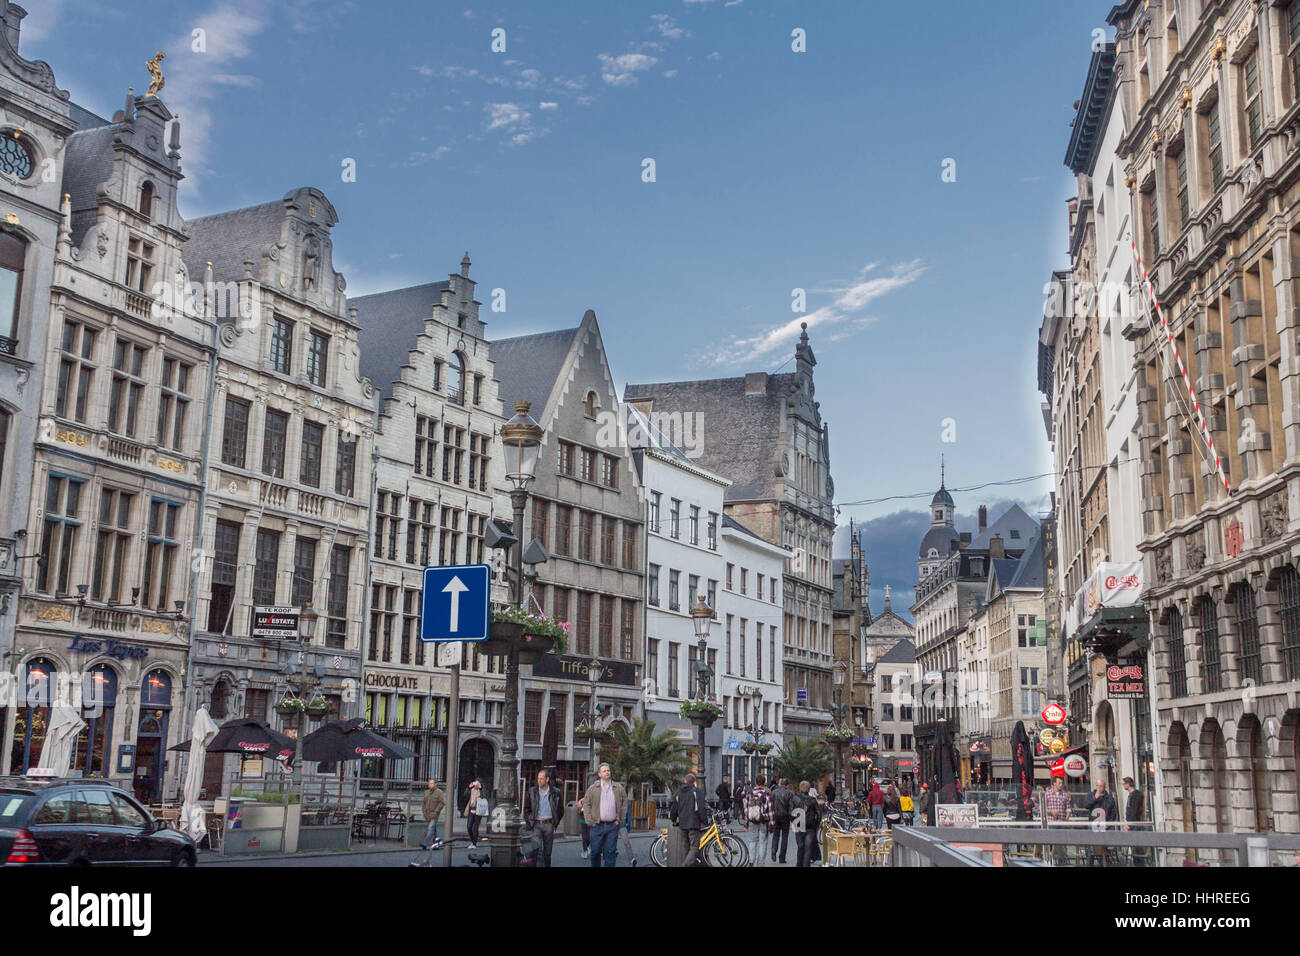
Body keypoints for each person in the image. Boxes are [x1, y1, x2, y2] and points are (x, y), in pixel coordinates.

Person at [582, 762, 628, 867]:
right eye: (604, 771)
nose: (607, 772)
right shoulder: (593, 788)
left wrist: (620, 819)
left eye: (608, 770)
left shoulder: (618, 787)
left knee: (610, 853)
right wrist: (589, 821)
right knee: (595, 852)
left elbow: (625, 803)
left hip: (612, 825)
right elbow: (586, 803)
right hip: (597, 825)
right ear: (599, 774)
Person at [523, 768, 564, 867]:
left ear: (547, 779)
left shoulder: (556, 792)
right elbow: (526, 809)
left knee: (547, 853)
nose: (539, 781)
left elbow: (560, 810)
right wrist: (530, 822)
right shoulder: (532, 791)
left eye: (541, 779)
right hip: (536, 824)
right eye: (538, 778)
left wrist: (555, 823)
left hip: (549, 825)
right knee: (536, 851)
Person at [670, 772, 708, 866]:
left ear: (685, 781)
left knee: (686, 847)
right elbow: (701, 807)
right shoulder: (696, 791)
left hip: (682, 823)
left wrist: (673, 819)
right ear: (694, 782)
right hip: (693, 823)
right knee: (695, 846)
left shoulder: (678, 792)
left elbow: (674, 808)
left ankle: (688, 863)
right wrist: (704, 820)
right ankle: (685, 864)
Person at [743, 775, 774, 867]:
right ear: (764, 783)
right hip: (763, 821)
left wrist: (746, 822)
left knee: (752, 841)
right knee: (762, 843)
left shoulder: (749, 793)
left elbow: (746, 809)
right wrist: (771, 825)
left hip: (752, 820)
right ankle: (760, 863)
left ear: (755, 782)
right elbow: (771, 810)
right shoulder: (767, 794)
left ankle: (751, 860)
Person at [792, 780, 821, 867]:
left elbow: (790, 812)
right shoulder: (812, 800)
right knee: (808, 848)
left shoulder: (795, 799)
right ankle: (806, 864)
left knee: (800, 846)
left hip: (799, 824)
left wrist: (794, 822)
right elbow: (819, 813)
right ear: (809, 789)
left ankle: (799, 864)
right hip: (810, 826)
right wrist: (816, 825)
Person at [770, 777, 794, 863]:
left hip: (775, 815)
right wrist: (791, 818)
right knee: (784, 836)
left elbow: (770, 804)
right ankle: (782, 857)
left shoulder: (773, 792)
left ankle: (773, 849)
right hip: (785, 816)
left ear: (780, 784)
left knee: (776, 835)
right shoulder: (789, 794)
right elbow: (791, 807)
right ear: (787, 785)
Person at [420, 778, 445, 848]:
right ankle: (437, 842)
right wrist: (424, 811)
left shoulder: (439, 792)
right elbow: (423, 803)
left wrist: (436, 811)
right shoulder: (426, 792)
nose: (430, 785)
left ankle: (425, 843)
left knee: (430, 828)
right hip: (427, 814)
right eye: (429, 783)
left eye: (431, 783)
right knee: (433, 829)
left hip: (434, 814)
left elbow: (442, 803)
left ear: (435, 784)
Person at [465, 778, 484, 848]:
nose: (476, 785)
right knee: (469, 827)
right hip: (471, 809)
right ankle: (473, 840)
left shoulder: (481, 791)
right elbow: (465, 795)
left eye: (478, 783)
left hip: (478, 810)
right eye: (475, 783)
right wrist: (468, 787)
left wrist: (481, 788)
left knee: (475, 828)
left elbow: (484, 797)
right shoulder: (471, 790)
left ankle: (474, 843)